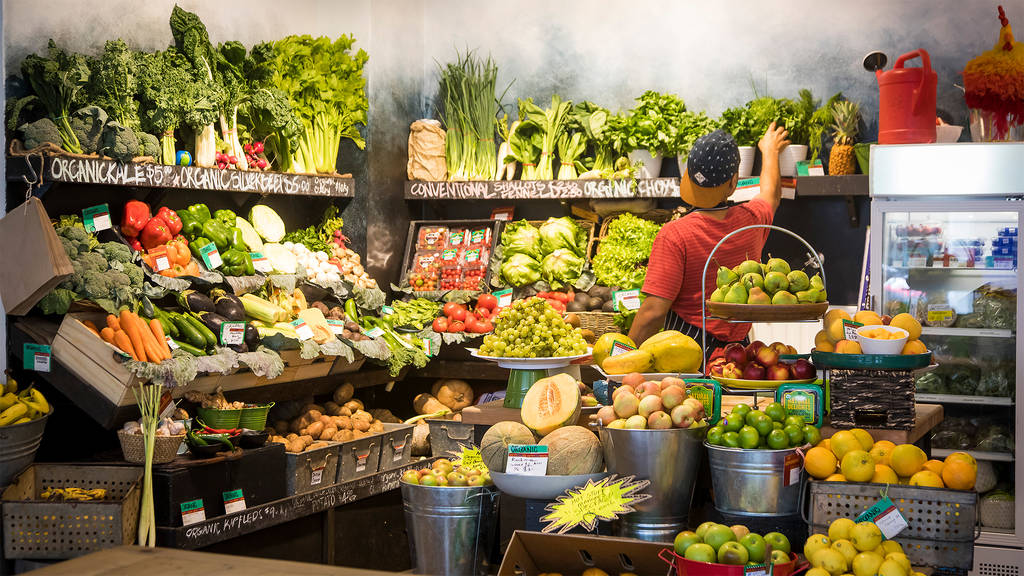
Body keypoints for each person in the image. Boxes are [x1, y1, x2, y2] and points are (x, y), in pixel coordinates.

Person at [628, 122, 790, 356]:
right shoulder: (753, 221)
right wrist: (770, 151)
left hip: (685, 356)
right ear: (733, 183)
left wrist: (624, 357)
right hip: (738, 357)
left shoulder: (674, 235)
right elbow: (771, 193)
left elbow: (653, 313)